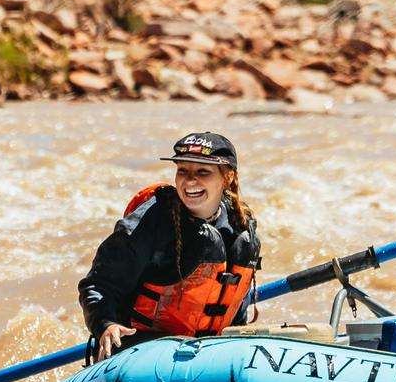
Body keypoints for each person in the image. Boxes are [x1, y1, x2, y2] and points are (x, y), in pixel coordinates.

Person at [79, 132, 262, 362]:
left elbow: (235, 305)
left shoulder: (240, 227)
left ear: (227, 178)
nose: (190, 181)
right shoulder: (152, 221)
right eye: (182, 171)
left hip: (210, 354)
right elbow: (98, 284)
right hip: (142, 349)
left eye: (202, 172)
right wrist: (106, 324)